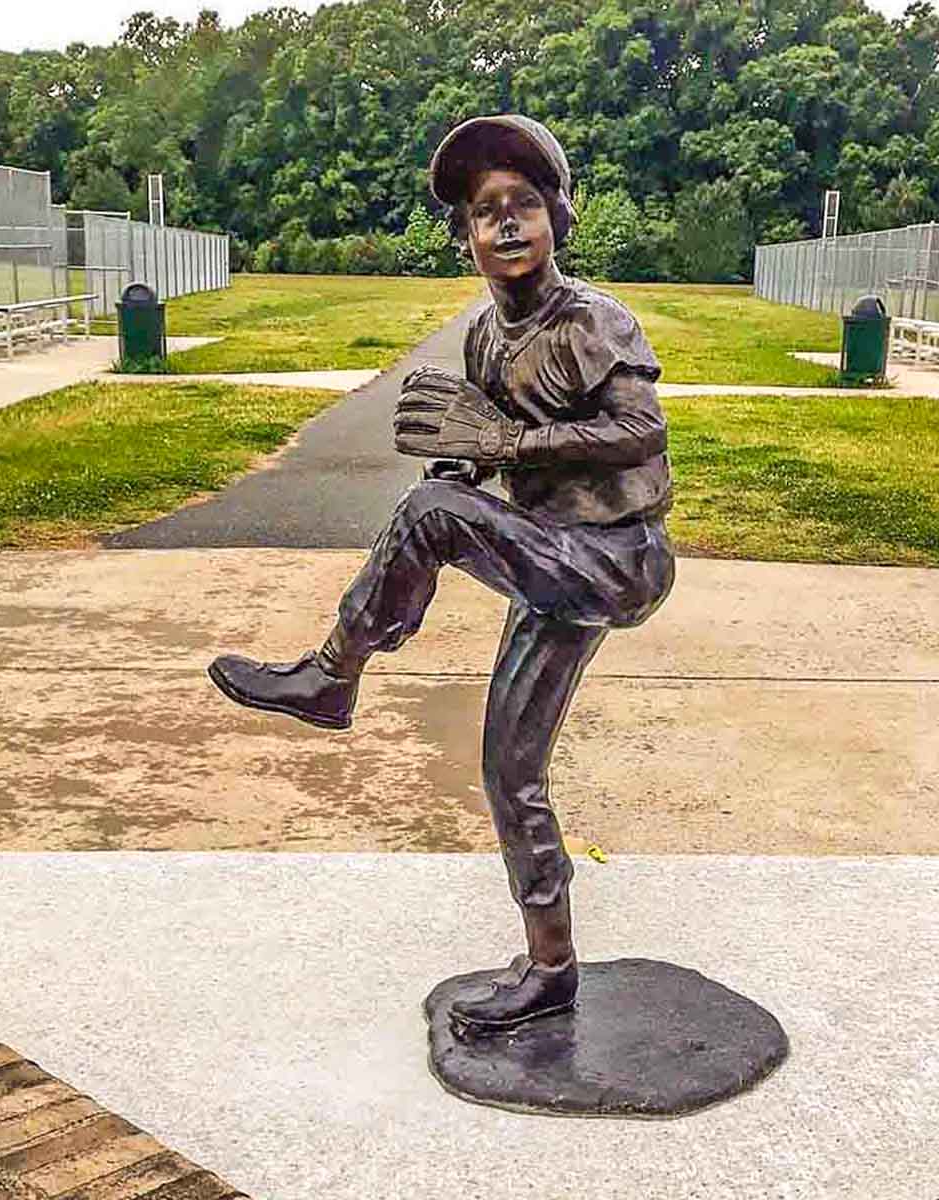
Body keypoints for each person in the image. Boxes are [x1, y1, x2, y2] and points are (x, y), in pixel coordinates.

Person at [208, 114, 675, 1031]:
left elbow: (640, 430)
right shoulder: (481, 342)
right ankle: (552, 967)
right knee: (511, 766)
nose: (505, 224)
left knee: (431, 520)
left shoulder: (594, 320)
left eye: (525, 206)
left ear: (557, 219)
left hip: (616, 558)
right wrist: (464, 465)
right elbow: (480, 462)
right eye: (484, 211)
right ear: (464, 237)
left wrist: (506, 443)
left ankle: (331, 676)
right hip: (550, 556)